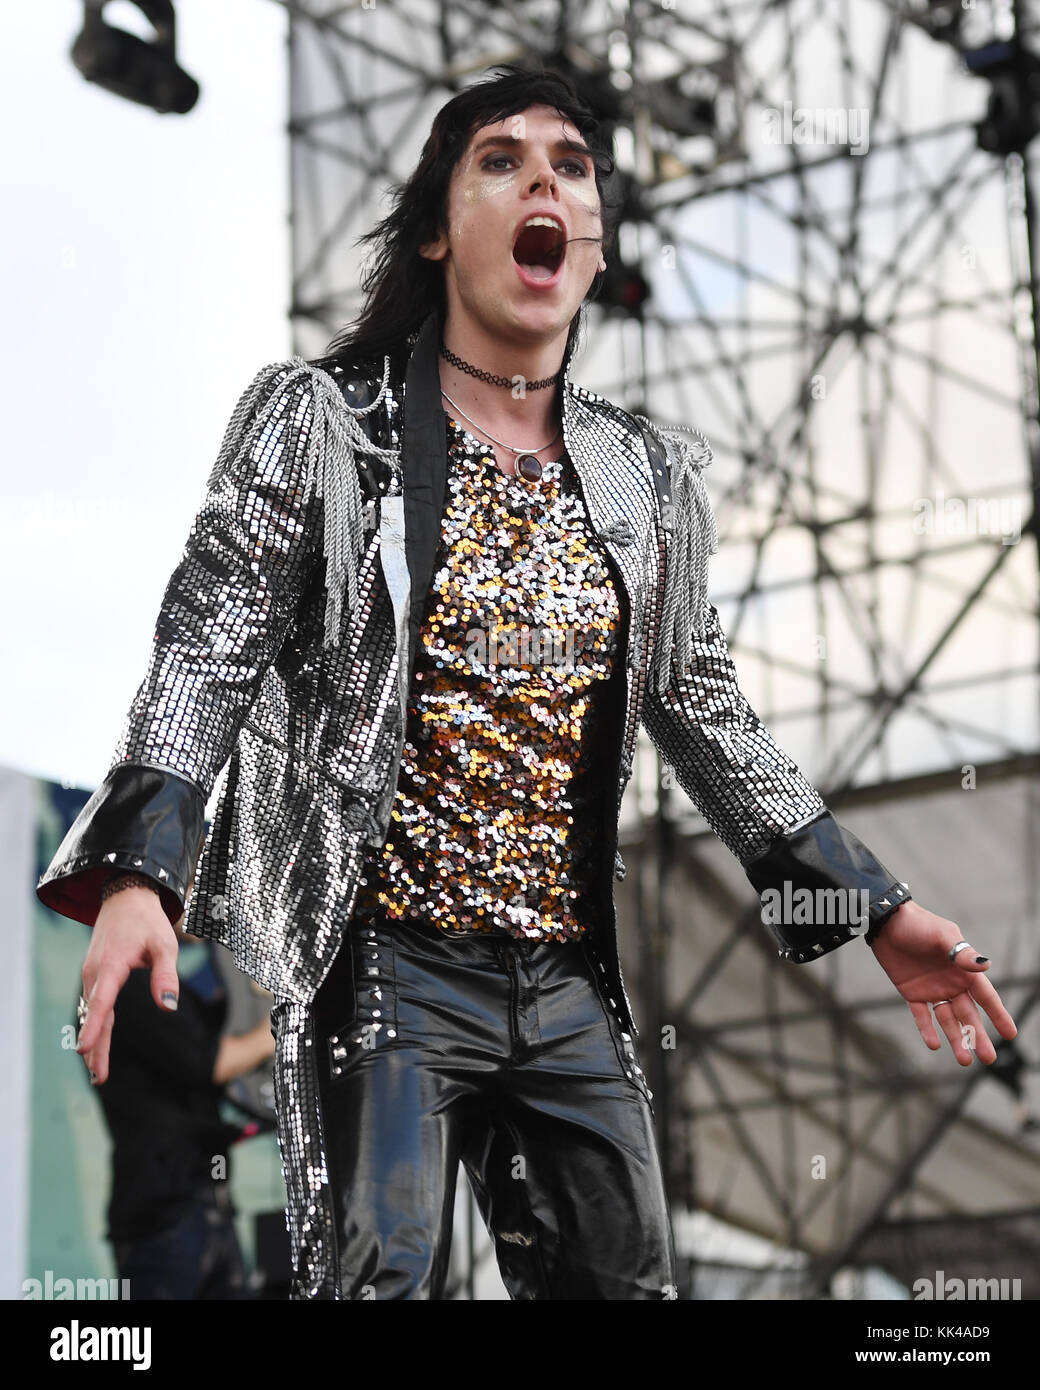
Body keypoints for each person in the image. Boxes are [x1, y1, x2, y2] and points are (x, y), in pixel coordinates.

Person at [40, 65, 1017, 1300]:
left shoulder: (644, 480)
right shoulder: (326, 426)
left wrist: (871, 904)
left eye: (571, 164)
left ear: (593, 238)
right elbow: (210, 639)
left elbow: (701, 709)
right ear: (442, 230)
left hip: (562, 981)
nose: (543, 179)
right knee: (374, 1276)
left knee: (625, 1284)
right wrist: (141, 871)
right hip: (388, 961)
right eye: (500, 160)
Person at [84, 884, 275, 1299]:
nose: (201, 902)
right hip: (163, 1213)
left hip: (206, 1205)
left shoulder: (171, 988)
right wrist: (280, 1024)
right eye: (189, 889)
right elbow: (214, 1064)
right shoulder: (128, 986)